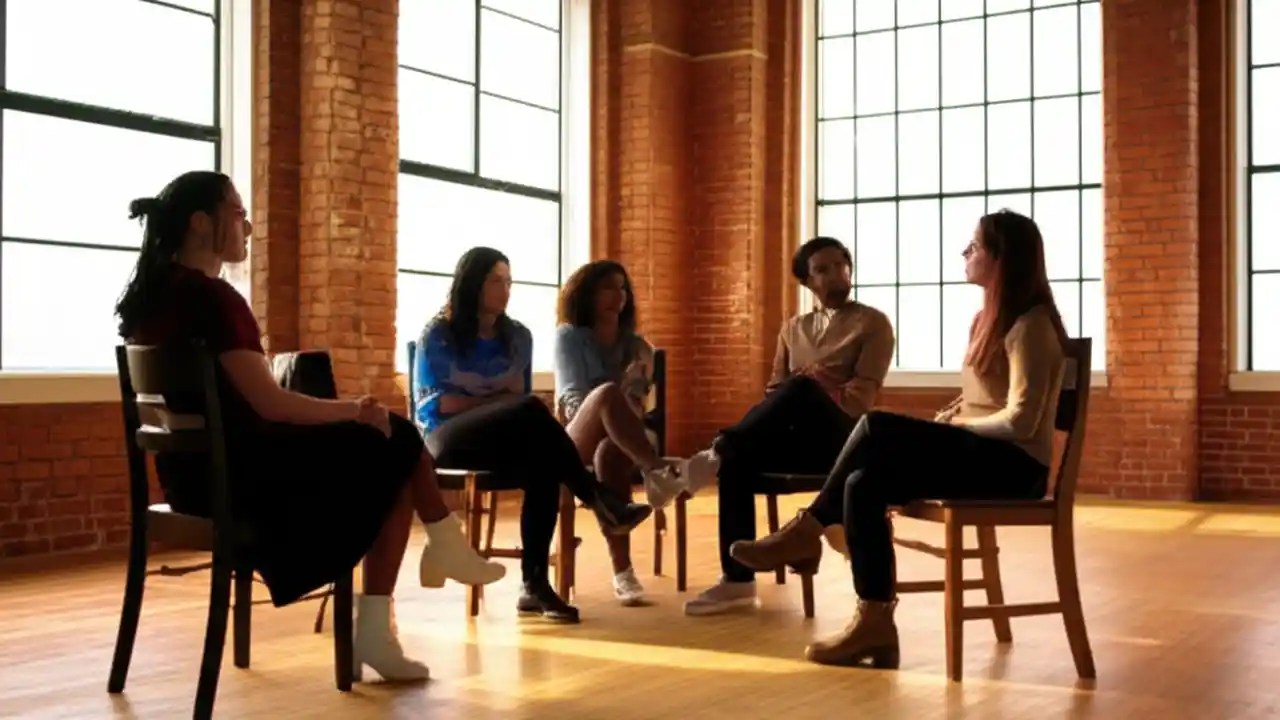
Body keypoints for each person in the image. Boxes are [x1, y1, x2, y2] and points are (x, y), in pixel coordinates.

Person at [115, 171, 505, 684]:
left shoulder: (152, 299)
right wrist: (354, 411)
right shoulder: (214, 300)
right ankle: (415, 580)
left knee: (391, 446)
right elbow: (272, 404)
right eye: (238, 213)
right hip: (243, 483)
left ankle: (437, 552)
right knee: (394, 436)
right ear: (200, 223)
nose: (248, 227)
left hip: (191, 482)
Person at [729, 209, 1068, 668]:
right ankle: (875, 624)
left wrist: (954, 428)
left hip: (1015, 469)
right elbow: (988, 398)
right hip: (986, 456)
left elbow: (1022, 423)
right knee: (861, 483)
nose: (965, 253)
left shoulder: (1031, 326)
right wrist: (954, 414)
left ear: (1001, 258)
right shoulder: (988, 321)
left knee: (875, 425)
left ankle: (807, 530)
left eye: (974, 246)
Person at [414, 247, 653, 624]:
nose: (506, 289)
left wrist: (494, 403)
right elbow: (437, 403)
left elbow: (515, 404)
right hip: (447, 440)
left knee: (544, 465)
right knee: (531, 410)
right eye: (496, 281)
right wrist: (496, 401)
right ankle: (598, 497)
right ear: (473, 283)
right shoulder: (439, 334)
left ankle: (535, 586)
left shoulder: (518, 337)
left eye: (509, 281)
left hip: (499, 438)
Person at [682, 236, 896, 616]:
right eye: (823, 270)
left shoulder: (873, 323)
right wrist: (802, 389)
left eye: (841, 265)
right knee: (739, 457)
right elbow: (773, 392)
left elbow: (860, 399)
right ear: (808, 282)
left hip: (844, 438)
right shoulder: (793, 328)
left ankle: (714, 451)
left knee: (800, 388)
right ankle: (738, 581)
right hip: (798, 435)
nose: (836, 274)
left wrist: (814, 387)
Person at [552, 260, 682, 606]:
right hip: (576, 433)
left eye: (622, 288)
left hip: (627, 438)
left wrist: (620, 412)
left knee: (609, 451)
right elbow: (571, 399)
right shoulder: (569, 337)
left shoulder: (638, 347)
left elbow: (639, 405)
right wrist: (604, 408)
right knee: (608, 394)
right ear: (587, 293)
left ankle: (623, 573)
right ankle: (657, 472)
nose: (618, 295)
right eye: (608, 287)